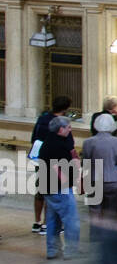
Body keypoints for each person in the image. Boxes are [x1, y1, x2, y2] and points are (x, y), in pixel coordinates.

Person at [38, 115, 81, 259]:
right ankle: (71, 251)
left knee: (52, 220)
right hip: (60, 187)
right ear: (61, 129)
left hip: (47, 186)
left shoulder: (47, 141)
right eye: (68, 127)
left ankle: (52, 250)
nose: (70, 129)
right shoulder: (60, 145)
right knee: (71, 219)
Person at [29, 95, 72, 235]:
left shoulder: (42, 119)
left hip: (41, 158)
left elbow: (34, 138)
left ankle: (37, 222)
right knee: (51, 191)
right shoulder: (62, 123)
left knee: (40, 190)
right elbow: (69, 144)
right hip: (56, 161)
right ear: (65, 108)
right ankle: (47, 223)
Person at [81, 113, 117, 237]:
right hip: (113, 179)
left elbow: (85, 162)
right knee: (110, 212)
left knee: (94, 210)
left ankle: (94, 237)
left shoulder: (88, 142)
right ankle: (107, 239)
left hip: (94, 179)